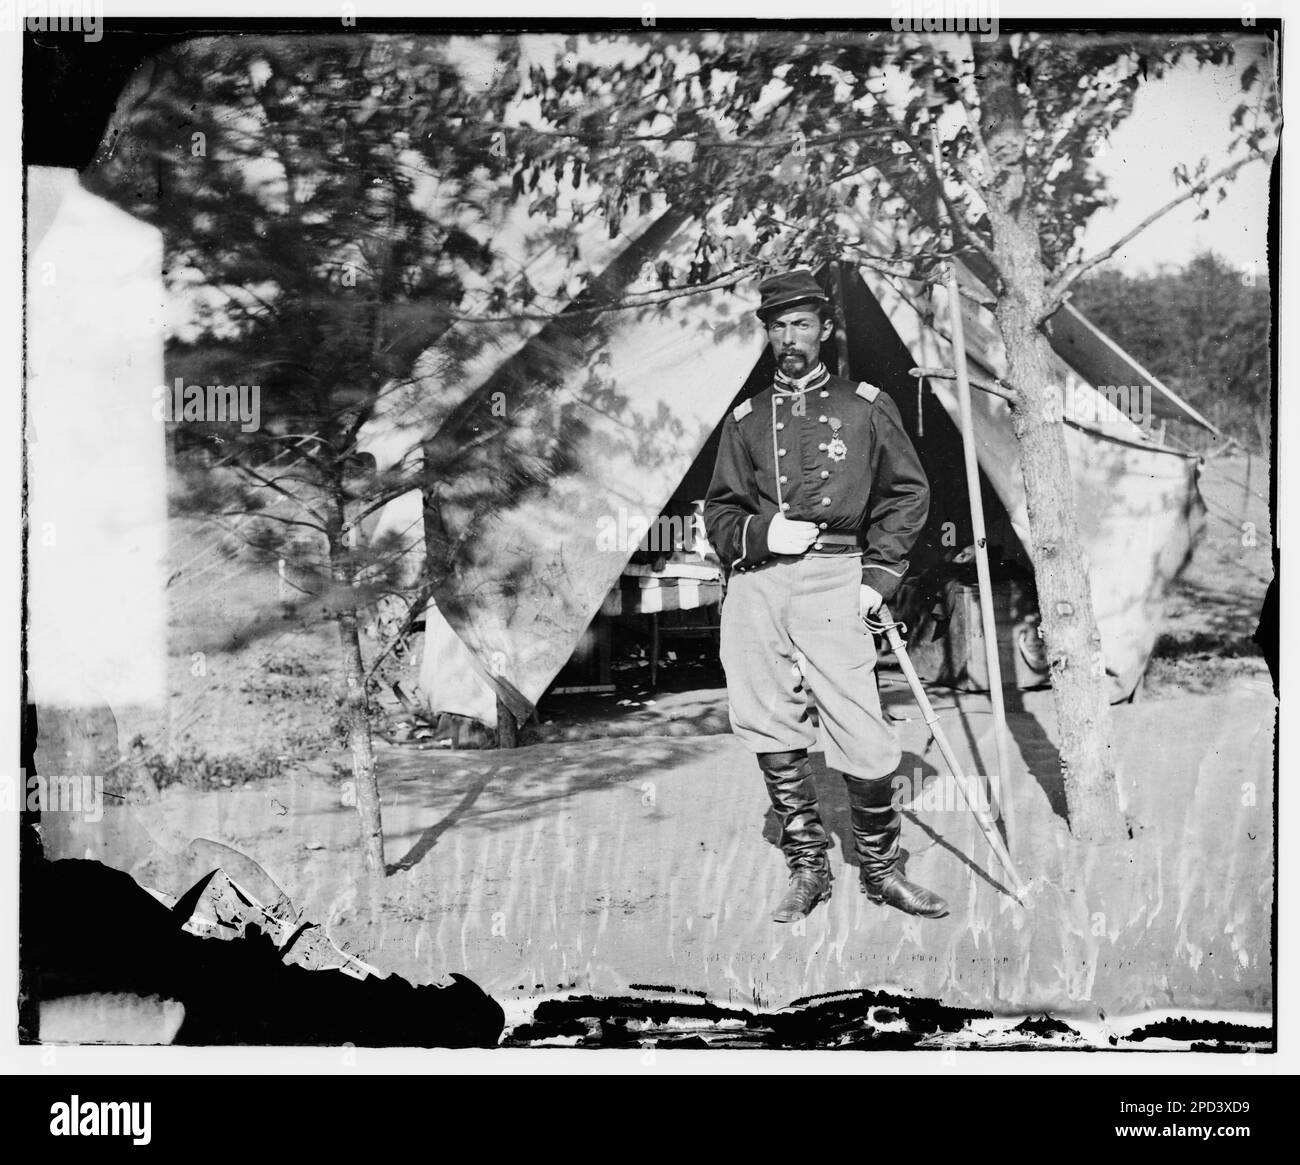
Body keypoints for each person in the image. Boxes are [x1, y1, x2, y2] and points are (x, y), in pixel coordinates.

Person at [703, 269, 949, 924]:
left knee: (863, 733)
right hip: (758, 584)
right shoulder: (745, 420)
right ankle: (808, 865)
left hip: (837, 578)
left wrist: (879, 576)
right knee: (767, 721)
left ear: (825, 329)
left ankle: (880, 869)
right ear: (768, 334)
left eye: (802, 324)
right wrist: (761, 530)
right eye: (779, 326)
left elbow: (907, 494)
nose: (791, 337)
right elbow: (720, 515)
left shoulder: (863, 405)